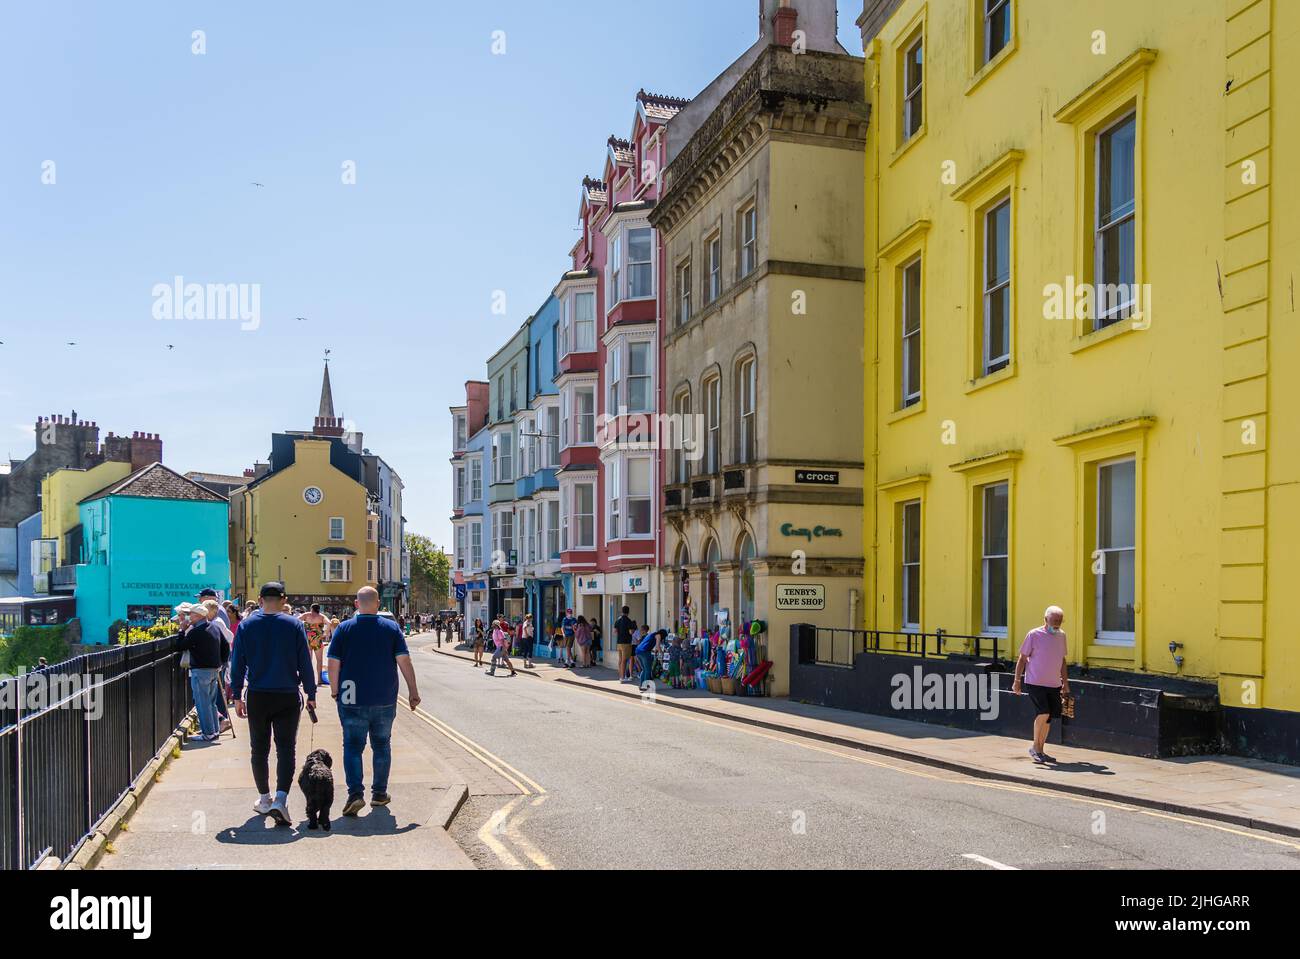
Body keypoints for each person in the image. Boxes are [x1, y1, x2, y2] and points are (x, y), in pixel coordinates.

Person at [327, 586, 421, 815]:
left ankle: (355, 794)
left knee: (352, 746)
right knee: (381, 745)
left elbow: (333, 663)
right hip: (384, 696)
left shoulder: (344, 629)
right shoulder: (391, 628)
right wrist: (413, 691)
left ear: (356, 604)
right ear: (378, 603)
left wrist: (334, 690)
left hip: (350, 695)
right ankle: (379, 793)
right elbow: (404, 661)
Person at [229, 582, 317, 826]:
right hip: (287, 694)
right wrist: (311, 693)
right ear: (283, 599)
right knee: (286, 748)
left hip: (258, 694)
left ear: (260, 600)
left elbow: (237, 663)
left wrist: (237, 694)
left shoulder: (246, 626)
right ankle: (281, 799)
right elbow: (304, 661)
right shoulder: (295, 625)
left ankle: (264, 798)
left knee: (259, 749)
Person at [1012, 606, 1072, 765]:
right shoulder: (1034, 634)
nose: (1057, 625)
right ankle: (1035, 748)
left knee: (1049, 717)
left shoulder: (1062, 636)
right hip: (1035, 682)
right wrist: (1016, 681)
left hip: (1054, 684)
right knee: (1043, 712)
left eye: (1059, 622)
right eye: (1054, 622)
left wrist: (1065, 684)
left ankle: (1040, 750)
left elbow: (1063, 661)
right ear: (1045, 620)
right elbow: (1022, 659)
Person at [178, 604, 225, 742]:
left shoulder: (196, 631)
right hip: (214, 669)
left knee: (202, 703)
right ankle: (214, 731)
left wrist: (182, 631)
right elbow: (225, 646)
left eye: (191, 614)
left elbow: (180, 646)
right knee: (211, 702)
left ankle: (208, 733)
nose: (189, 617)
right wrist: (220, 662)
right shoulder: (214, 628)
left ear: (198, 616)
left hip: (201, 670)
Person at [300, 603, 329, 686]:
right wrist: (325, 633)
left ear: (311, 609)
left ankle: (305, 680)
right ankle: (319, 680)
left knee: (307, 661)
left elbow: (296, 620)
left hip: (308, 639)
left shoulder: (306, 615)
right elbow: (329, 623)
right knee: (319, 661)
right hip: (317, 639)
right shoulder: (321, 616)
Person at [614, 607, 637, 682]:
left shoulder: (618, 620)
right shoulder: (628, 621)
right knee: (624, 660)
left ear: (622, 611)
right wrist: (632, 630)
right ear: (628, 612)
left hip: (619, 642)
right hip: (626, 643)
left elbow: (615, 631)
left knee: (620, 660)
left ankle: (620, 676)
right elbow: (631, 632)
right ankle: (622, 677)